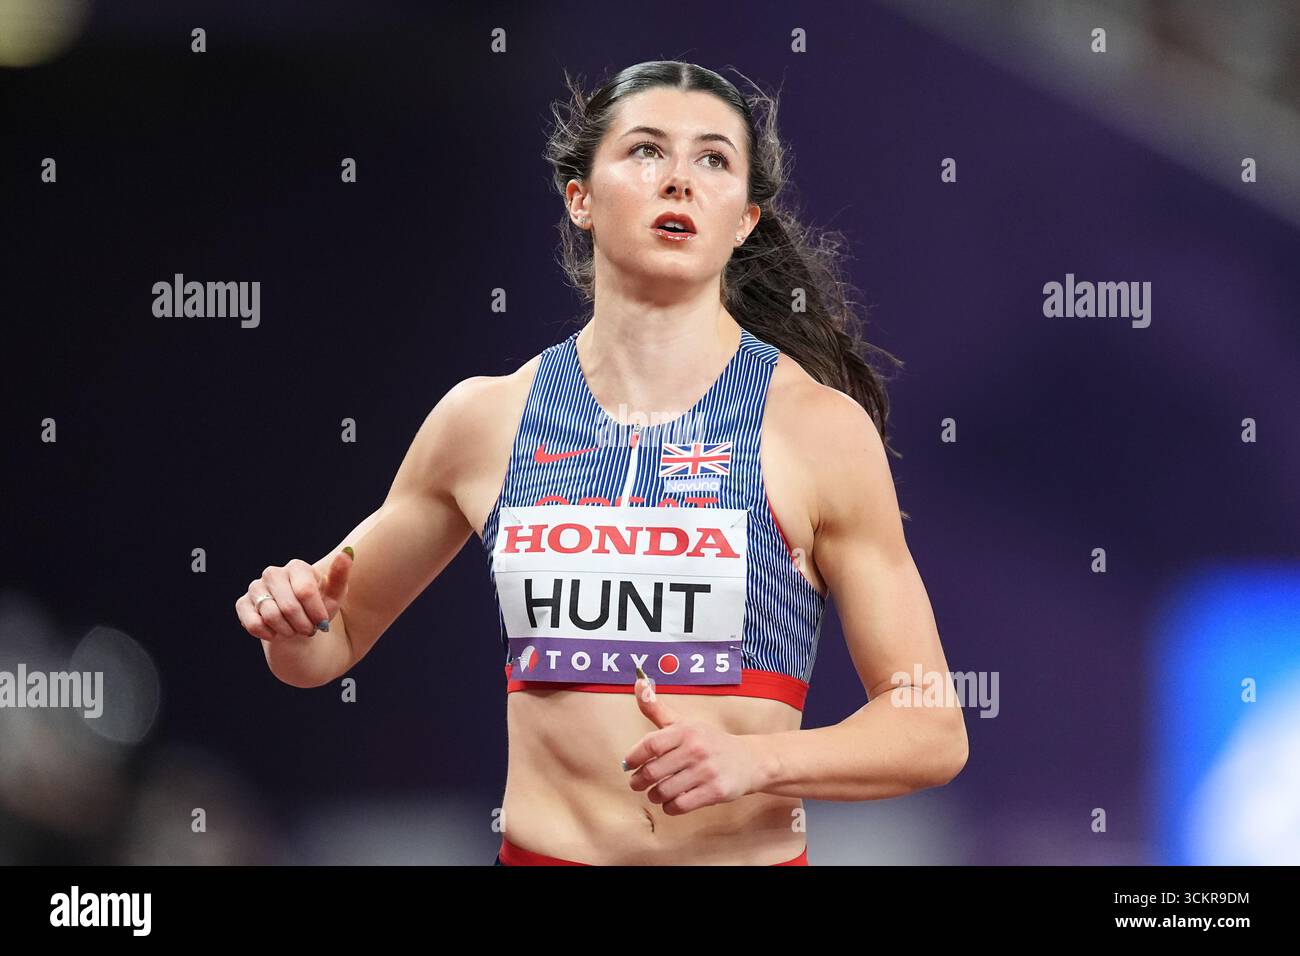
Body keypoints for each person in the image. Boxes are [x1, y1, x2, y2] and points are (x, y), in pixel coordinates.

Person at [234, 60, 968, 866]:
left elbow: (929, 727)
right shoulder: (486, 420)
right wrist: (292, 621)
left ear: (745, 220)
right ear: (579, 198)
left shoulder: (816, 432)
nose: (680, 181)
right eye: (647, 151)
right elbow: (327, 647)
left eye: (714, 159)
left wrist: (758, 762)